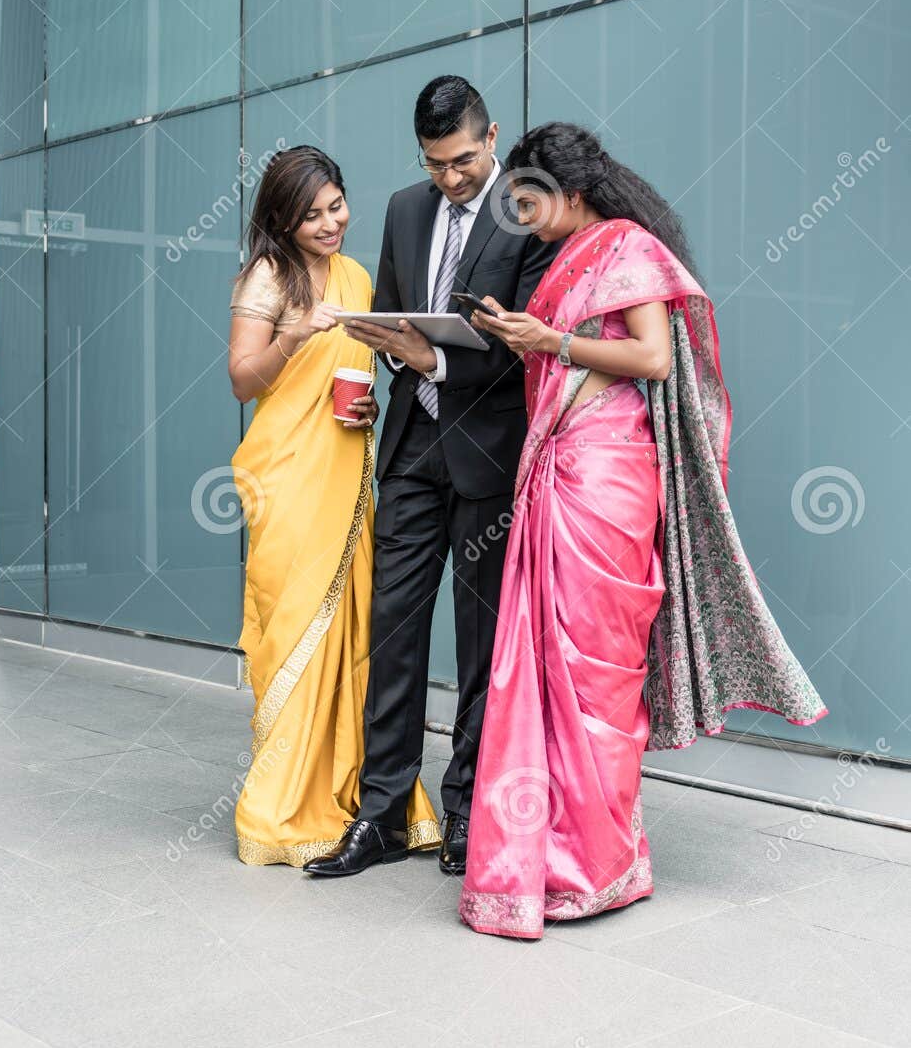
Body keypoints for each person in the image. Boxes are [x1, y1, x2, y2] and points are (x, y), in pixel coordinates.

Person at [457, 122, 828, 939]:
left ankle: (598, 863)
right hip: (559, 466)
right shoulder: (565, 259)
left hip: (610, 475)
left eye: (528, 201)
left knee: (596, 671)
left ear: (572, 193)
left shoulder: (625, 246)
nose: (521, 216)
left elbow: (655, 358)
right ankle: (543, 858)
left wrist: (548, 338)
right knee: (550, 670)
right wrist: (525, 339)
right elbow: (571, 359)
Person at [303, 77, 553, 880]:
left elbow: (529, 346)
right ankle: (380, 815)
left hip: (487, 454)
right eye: (434, 163)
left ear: (492, 135)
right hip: (411, 449)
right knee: (394, 633)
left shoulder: (526, 210)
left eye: (462, 160)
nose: (449, 178)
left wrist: (436, 355)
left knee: (478, 648)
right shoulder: (405, 208)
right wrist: (388, 343)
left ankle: (463, 812)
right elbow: (385, 308)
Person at [228, 146, 439, 866]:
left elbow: (358, 370)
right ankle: (287, 802)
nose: (330, 223)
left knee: (355, 633)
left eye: (336, 205)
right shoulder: (268, 277)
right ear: (282, 220)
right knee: (294, 629)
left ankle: (357, 797)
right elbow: (241, 380)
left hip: (347, 470)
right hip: (286, 479)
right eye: (311, 214)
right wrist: (293, 334)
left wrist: (368, 407)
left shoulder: (355, 277)